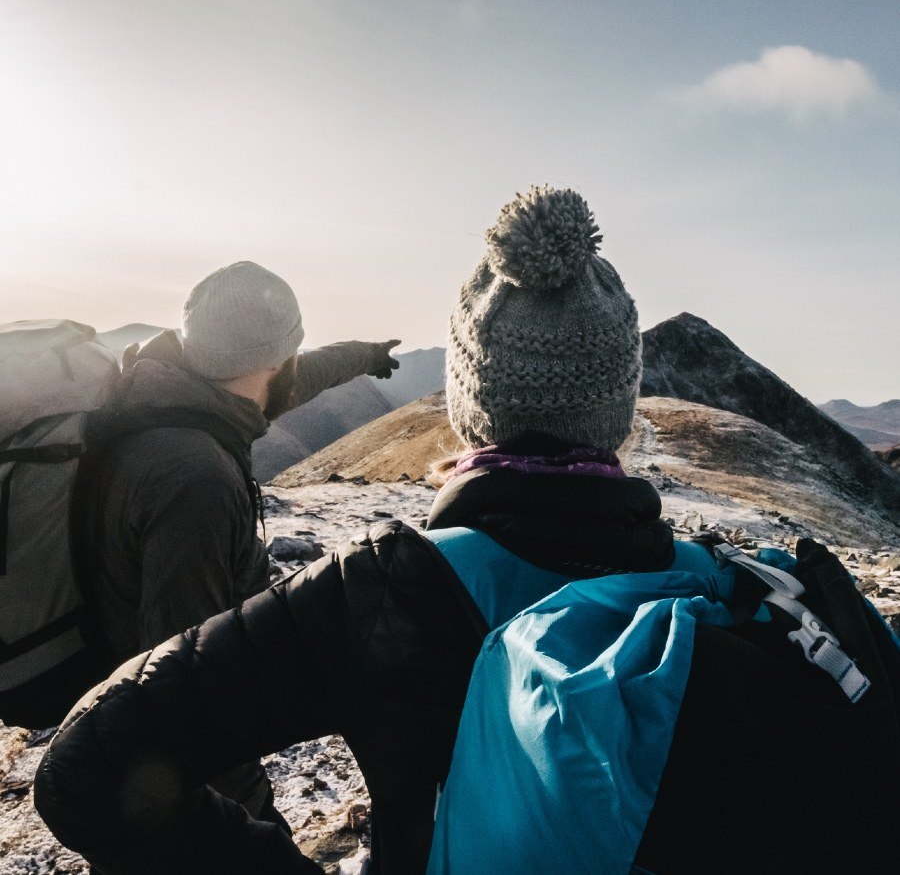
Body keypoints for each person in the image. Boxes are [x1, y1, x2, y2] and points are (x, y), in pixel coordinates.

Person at [34, 190, 898, 874]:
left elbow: (87, 772)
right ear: (621, 409)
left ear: (467, 404)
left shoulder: (381, 592)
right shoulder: (729, 590)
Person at [72, 260, 401, 829]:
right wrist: (252, 820)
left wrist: (366, 353)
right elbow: (184, 683)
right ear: (273, 361)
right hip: (153, 778)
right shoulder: (195, 480)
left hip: (120, 725)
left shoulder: (170, 391)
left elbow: (300, 376)